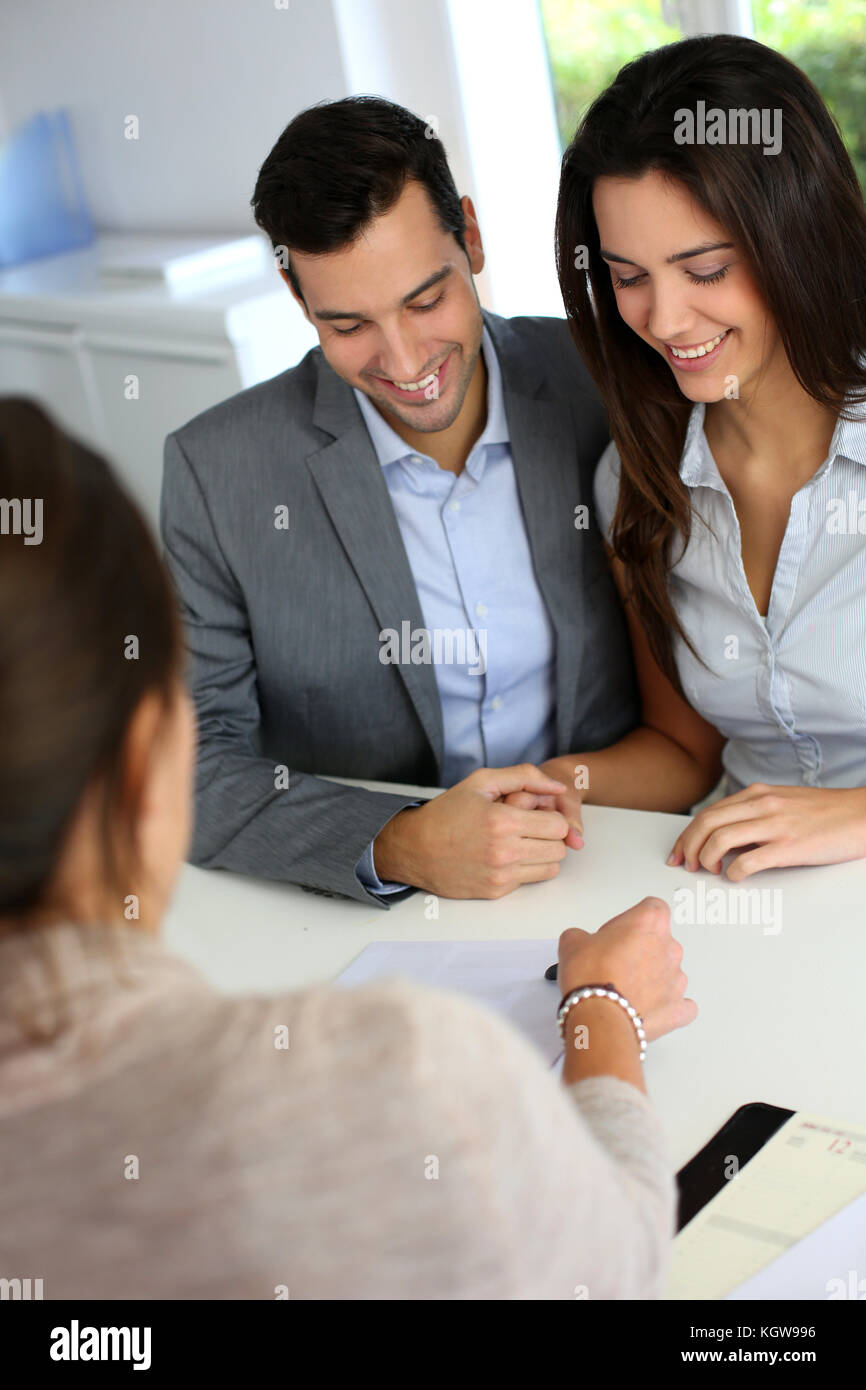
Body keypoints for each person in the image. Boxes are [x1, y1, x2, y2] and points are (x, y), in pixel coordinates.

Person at [0, 398, 696, 1299]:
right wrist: (606, 1011)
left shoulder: (578, 383)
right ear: (145, 762)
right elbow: (611, 1267)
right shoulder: (396, 1079)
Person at [160, 96, 639, 909]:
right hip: (359, 913)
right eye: (349, 325)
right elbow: (191, 768)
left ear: (473, 240)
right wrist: (398, 841)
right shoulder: (217, 470)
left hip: (612, 861)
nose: (406, 359)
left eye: (426, 301)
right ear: (292, 288)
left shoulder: (606, 386)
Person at [519, 34, 866, 882]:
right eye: (627, 276)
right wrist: (561, 785)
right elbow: (683, 750)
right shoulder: (635, 482)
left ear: (800, 235)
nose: (666, 320)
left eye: (704, 268)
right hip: (731, 897)